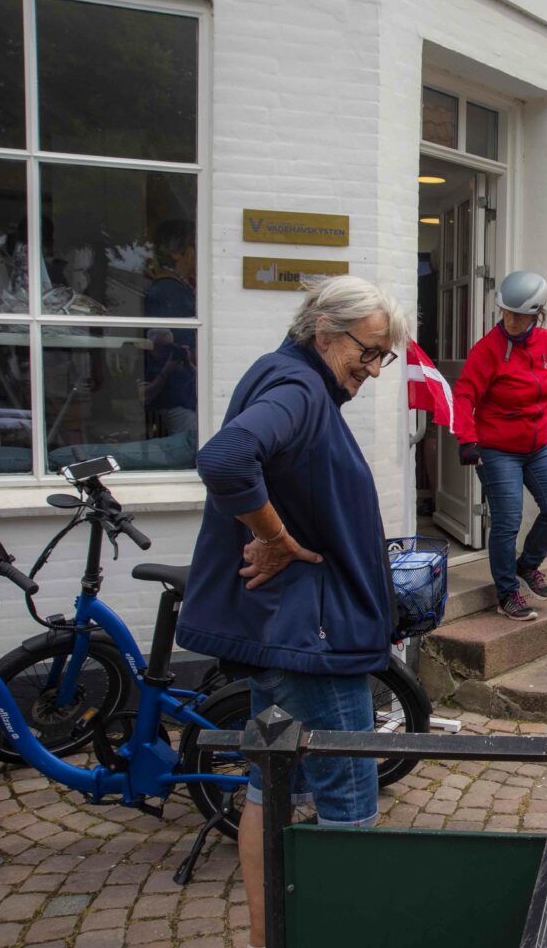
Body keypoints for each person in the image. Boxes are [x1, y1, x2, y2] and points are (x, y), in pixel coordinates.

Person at [177, 275, 410, 948]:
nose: (370, 369)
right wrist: (276, 537)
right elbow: (224, 458)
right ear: (324, 332)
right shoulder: (301, 388)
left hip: (289, 635)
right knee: (347, 803)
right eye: (366, 352)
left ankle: (268, 936)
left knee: (267, 785)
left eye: (380, 357)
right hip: (315, 644)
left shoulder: (282, 375)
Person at [452, 270, 547, 621]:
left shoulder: (544, 341)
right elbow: (464, 394)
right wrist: (468, 439)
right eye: (506, 312)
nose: (512, 320)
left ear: (537, 315)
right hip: (497, 449)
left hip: (538, 444)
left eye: (520, 315)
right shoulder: (488, 350)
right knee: (507, 520)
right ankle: (507, 593)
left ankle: (528, 564)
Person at [141, 219, 198, 436]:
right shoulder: (170, 291)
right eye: (193, 245)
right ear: (177, 252)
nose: (196, 253)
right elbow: (183, 347)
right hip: (178, 396)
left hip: (172, 393)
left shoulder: (167, 287)